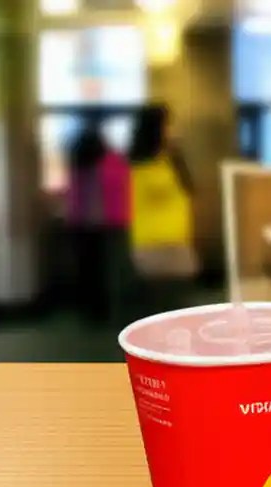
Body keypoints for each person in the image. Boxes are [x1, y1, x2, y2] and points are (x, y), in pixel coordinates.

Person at [127, 104, 198, 311]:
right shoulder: (141, 165)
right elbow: (160, 190)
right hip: (155, 246)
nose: (174, 131)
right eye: (169, 125)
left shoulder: (169, 161)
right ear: (157, 128)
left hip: (176, 243)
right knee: (166, 310)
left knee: (176, 310)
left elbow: (189, 191)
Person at [66, 112, 131, 324]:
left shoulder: (77, 161)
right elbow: (123, 186)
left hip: (81, 223)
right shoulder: (112, 160)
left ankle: (88, 311)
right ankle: (106, 311)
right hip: (108, 223)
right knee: (109, 270)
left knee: (86, 269)